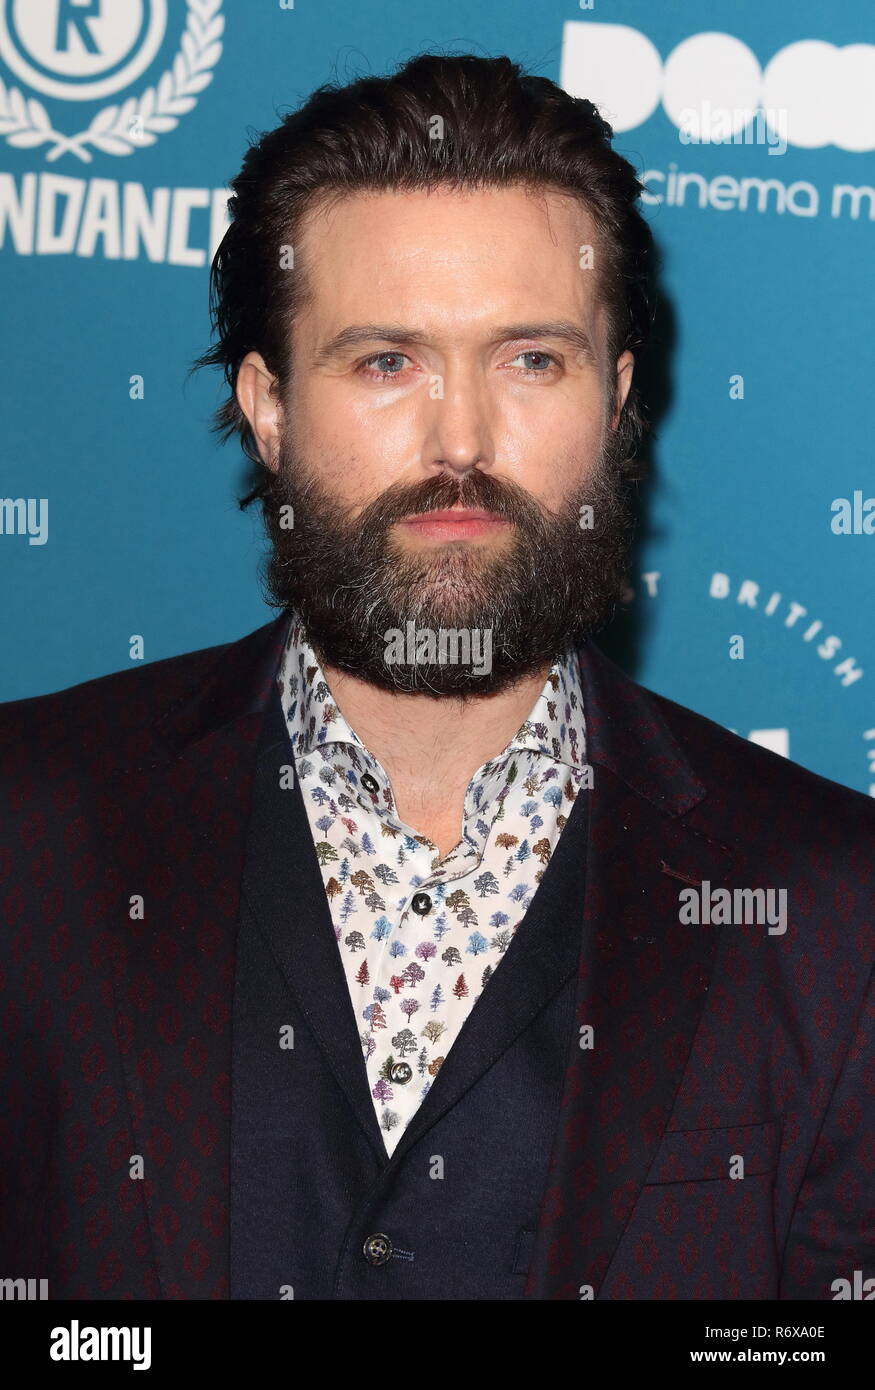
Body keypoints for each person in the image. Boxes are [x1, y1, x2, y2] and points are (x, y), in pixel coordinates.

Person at [1, 53, 872, 1302]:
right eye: (384, 361)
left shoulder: (832, 913)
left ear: (615, 401)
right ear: (269, 406)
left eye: (530, 360)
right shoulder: (29, 828)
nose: (459, 441)